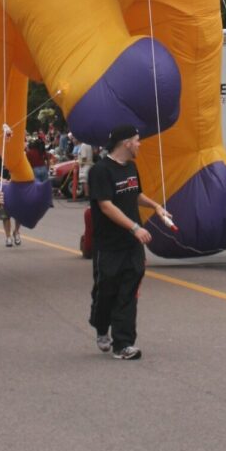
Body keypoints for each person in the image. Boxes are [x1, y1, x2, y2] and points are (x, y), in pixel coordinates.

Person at [86, 123, 173, 361]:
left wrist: (156, 206)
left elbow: (135, 194)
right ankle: (101, 326)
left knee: (128, 292)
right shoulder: (100, 171)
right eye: (136, 140)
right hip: (109, 245)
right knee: (106, 291)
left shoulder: (132, 168)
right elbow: (105, 205)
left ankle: (123, 344)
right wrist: (135, 227)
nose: (139, 144)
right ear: (126, 143)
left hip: (132, 245)